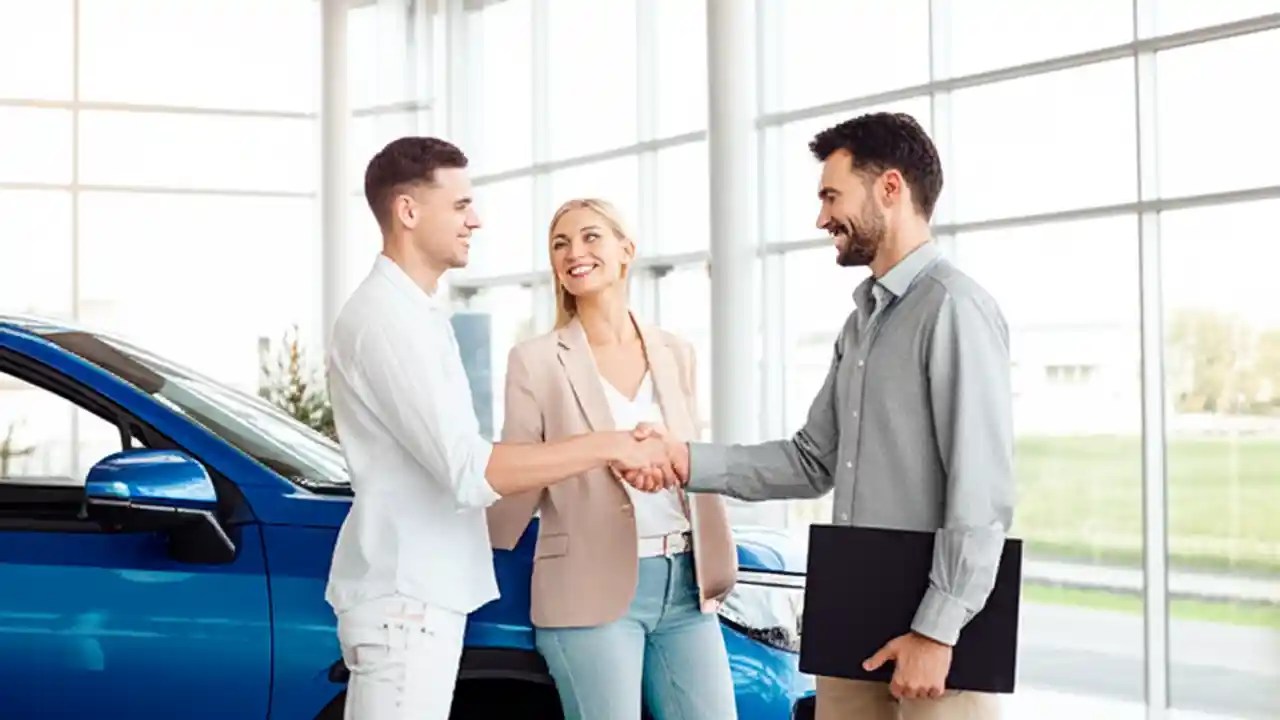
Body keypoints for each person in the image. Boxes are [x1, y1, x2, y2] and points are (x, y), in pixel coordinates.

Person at [634, 112, 1015, 719]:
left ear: (890, 188)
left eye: (831, 195)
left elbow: (982, 492)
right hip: (857, 621)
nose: (820, 218)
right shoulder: (862, 321)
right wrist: (685, 459)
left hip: (935, 639)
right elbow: (812, 460)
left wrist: (939, 630)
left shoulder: (954, 309)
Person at [324, 138, 675, 720]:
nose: (475, 220)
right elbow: (470, 470)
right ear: (408, 212)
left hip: (417, 598)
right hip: (406, 600)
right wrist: (609, 443)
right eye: (460, 205)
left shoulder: (413, 313)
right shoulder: (386, 321)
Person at [486, 198, 739, 720]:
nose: (574, 252)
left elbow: (688, 462)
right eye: (560, 244)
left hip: (687, 584)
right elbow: (518, 479)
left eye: (590, 237)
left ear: (627, 250)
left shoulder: (675, 352)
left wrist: (663, 460)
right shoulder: (534, 362)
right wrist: (604, 453)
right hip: (587, 591)